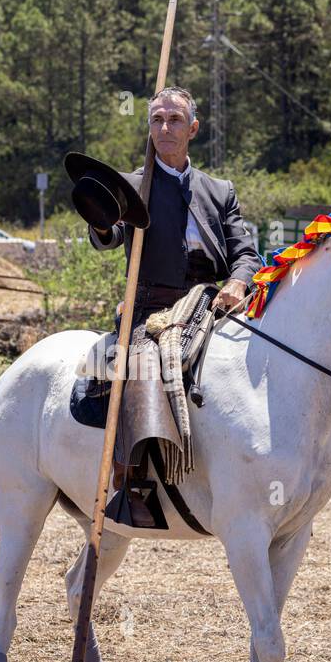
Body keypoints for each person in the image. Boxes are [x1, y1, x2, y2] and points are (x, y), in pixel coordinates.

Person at [66, 85, 260, 528]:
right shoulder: (133, 185)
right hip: (150, 309)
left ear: (193, 128)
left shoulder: (219, 190)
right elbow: (111, 236)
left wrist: (236, 281)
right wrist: (100, 222)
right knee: (143, 364)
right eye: (157, 119)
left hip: (212, 303)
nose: (165, 127)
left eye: (174, 120)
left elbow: (247, 253)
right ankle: (136, 483)